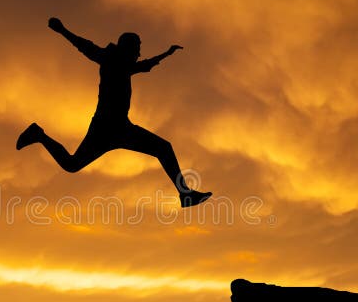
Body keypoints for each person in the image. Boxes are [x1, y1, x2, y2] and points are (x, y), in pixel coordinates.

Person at [16, 17, 212, 207]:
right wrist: (63, 30)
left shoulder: (125, 65)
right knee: (73, 164)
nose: (139, 53)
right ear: (128, 48)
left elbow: (144, 66)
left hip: (121, 128)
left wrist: (166, 54)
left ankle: (186, 194)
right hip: (106, 128)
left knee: (162, 148)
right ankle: (39, 135)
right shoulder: (109, 60)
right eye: (137, 49)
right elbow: (84, 45)